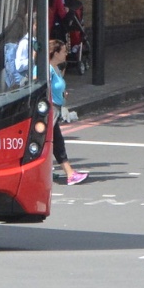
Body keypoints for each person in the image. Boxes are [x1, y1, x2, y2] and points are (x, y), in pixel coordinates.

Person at [49, 39, 87, 185]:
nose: (66, 53)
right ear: (56, 53)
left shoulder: (56, 68)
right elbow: (37, 87)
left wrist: (62, 94)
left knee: (55, 142)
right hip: (49, 110)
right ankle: (70, 174)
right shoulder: (46, 69)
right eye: (64, 51)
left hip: (55, 109)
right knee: (55, 142)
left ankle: (67, 173)